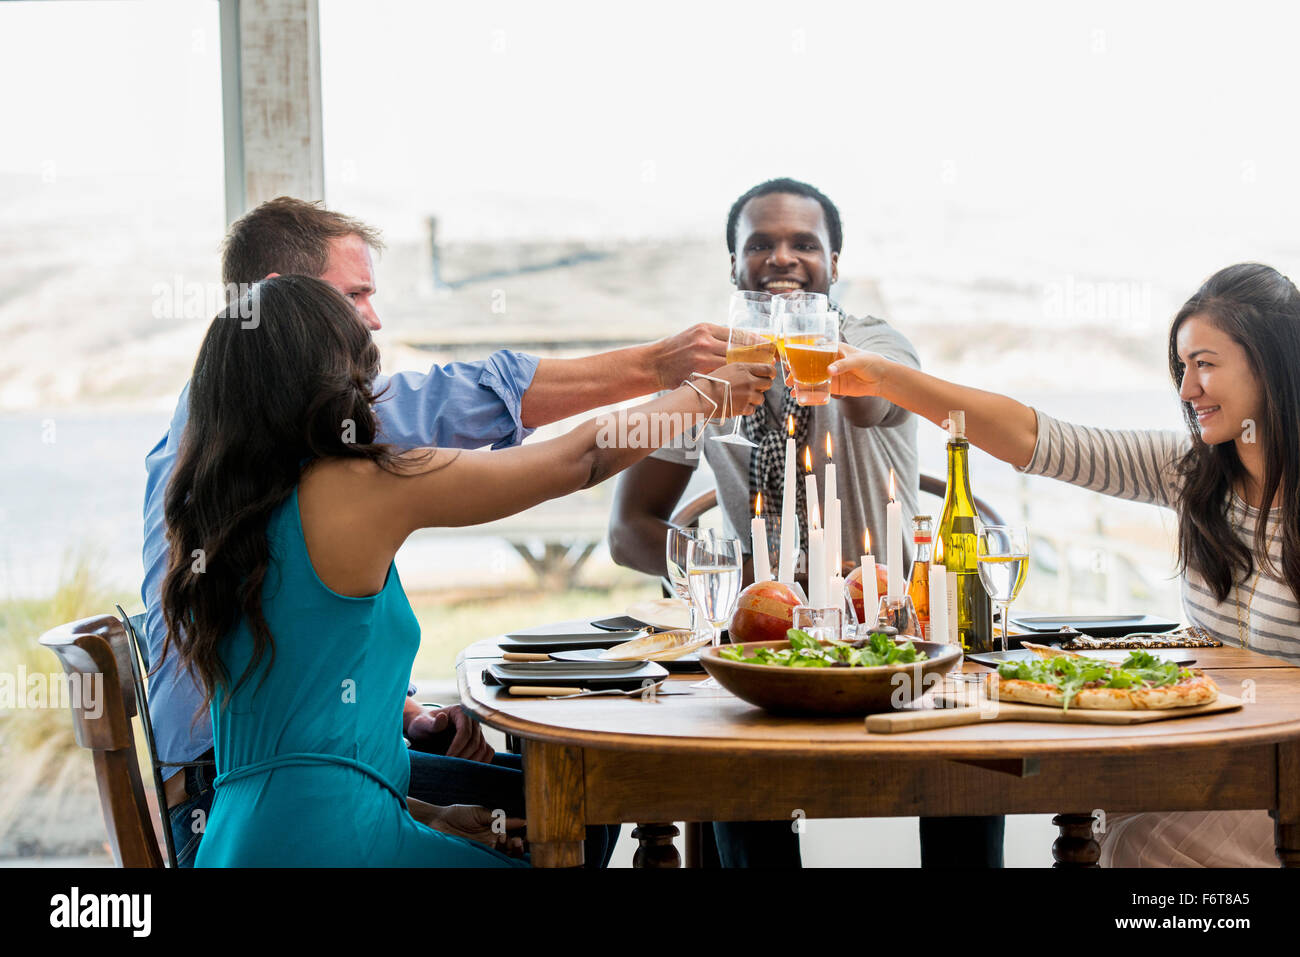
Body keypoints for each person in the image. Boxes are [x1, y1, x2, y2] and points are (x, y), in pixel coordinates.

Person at [142, 197, 738, 865]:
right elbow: (583, 458)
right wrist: (711, 392)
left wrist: (433, 811)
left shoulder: (215, 501)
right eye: (355, 358)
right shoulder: (362, 486)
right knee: (574, 814)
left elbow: (301, 706)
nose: (367, 387)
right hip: (340, 842)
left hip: (236, 837)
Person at [826, 261, 1300, 867]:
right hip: (1215, 763)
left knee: (1133, 843)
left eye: (1205, 364)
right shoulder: (1194, 474)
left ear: (1273, 363)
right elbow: (1035, 438)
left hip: (1283, 786)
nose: (1186, 390)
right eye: (1182, 367)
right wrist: (886, 379)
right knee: (1094, 804)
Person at [609, 177, 1005, 867]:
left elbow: (872, 404)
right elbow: (628, 527)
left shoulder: (874, 344)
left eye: (803, 244)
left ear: (835, 264)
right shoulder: (707, 373)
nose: (781, 258)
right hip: (759, 647)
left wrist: (811, 351)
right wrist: (722, 583)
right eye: (759, 244)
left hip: (891, 635)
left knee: (966, 762)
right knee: (739, 775)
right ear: (732, 265)